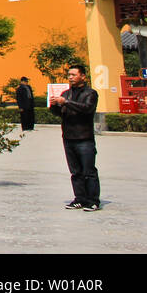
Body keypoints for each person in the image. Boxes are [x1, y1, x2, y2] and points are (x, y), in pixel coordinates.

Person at [48, 63, 101, 211]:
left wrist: (66, 102)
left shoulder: (90, 94)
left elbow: (86, 109)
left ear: (83, 76)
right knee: (75, 172)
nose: (70, 78)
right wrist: (54, 106)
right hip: (68, 137)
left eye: (73, 75)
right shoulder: (66, 93)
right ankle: (80, 198)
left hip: (84, 138)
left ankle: (93, 200)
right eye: (69, 75)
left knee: (89, 171)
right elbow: (61, 113)